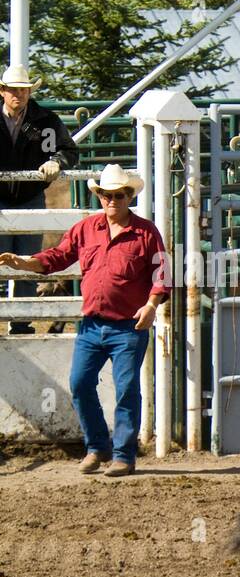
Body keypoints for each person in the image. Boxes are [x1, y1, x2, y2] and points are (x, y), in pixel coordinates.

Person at [0, 165, 168, 477]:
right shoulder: (87, 229)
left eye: (119, 195)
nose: (113, 200)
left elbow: (162, 273)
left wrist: (151, 304)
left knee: (127, 388)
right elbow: (58, 257)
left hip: (128, 326)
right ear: (100, 197)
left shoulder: (146, 233)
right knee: (80, 384)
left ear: (129, 196)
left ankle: (122, 454)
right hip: (92, 324)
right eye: (107, 195)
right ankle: (98, 446)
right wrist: (26, 262)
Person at [0, 62, 79, 334]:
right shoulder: (43, 119)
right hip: (6, 199)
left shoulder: (45, 120)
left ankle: (21, 322)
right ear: (3, 91)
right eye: (13, 90)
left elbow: (69, 150)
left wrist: (57, 161)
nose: (18, 95)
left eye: (23, 90)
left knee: (26, 260)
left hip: (30, 197)